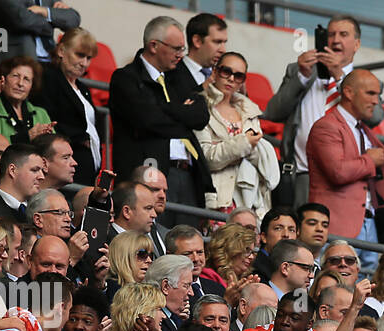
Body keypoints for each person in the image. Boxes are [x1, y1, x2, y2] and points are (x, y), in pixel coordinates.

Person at [262, 13, 382, 207]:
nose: (335, 40)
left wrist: (340, 77)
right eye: (331, 34)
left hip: (347, 180)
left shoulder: (365, 81)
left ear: (357, 44)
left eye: (343, 34)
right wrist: (301, 76)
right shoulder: (299, 70)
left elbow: (376, 117)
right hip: (302, 177)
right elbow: (273, 113)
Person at [108, 17, 212, 225]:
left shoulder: (177, 78)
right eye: (176, 48)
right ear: (154, 46)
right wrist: (181, 113)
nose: (181, 55)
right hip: (150, 174)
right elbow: (147, 120)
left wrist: (162, 108)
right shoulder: (126, 78)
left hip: (188, 176)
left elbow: (201, 115)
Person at [306, 69, 384, 275]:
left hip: (369, 223)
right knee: (332, 282)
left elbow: (377, 181)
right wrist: (370, 160)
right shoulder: (326, 127)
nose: (376, 101)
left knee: (363, 290)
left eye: (378, 95)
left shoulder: (365, 131)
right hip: (338, 223)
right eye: (370, 94)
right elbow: (337, 172)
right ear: (348, 92)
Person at [198, 51, 278, 221]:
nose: (231, 79)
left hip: (250, 200)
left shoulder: (250, 110)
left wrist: (236, 148)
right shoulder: (201, 106)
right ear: (215, 71)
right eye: (226, 71)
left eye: (239, 75)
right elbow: (207, 159)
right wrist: (245, 143)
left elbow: (261, 160)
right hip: (219, 199)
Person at [32, 27, 100, 185]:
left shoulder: (83, 88)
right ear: (61, 50)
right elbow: (48, 119)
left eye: (89, 58)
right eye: (80, 55)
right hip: (62, 168)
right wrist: (80, 137)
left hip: (86, 166)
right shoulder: (48, 77)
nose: (84, 63)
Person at [0, 54, 55, 144]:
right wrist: (27, 136)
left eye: (26, 79)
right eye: (15, 76)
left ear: (32, 85)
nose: (20, 83)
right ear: (3, 79)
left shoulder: (41, 114)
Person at [0, 0, 79, 63]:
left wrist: (45, 11)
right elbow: (22, 20)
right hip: (16, 63)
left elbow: (73, 20)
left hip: (51, 62)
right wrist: (52, 20)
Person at [173, 12, 226, 95]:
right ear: (197, 41)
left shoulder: (225, 76)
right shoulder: (170, 75)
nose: (223, 50)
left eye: (224, 42)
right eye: (217, 42)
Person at [104, 230, 153, 301]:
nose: (149, 260)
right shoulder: (110, 290)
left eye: (150, 255)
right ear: (124, 256)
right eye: (142, 254)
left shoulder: (150, 293)